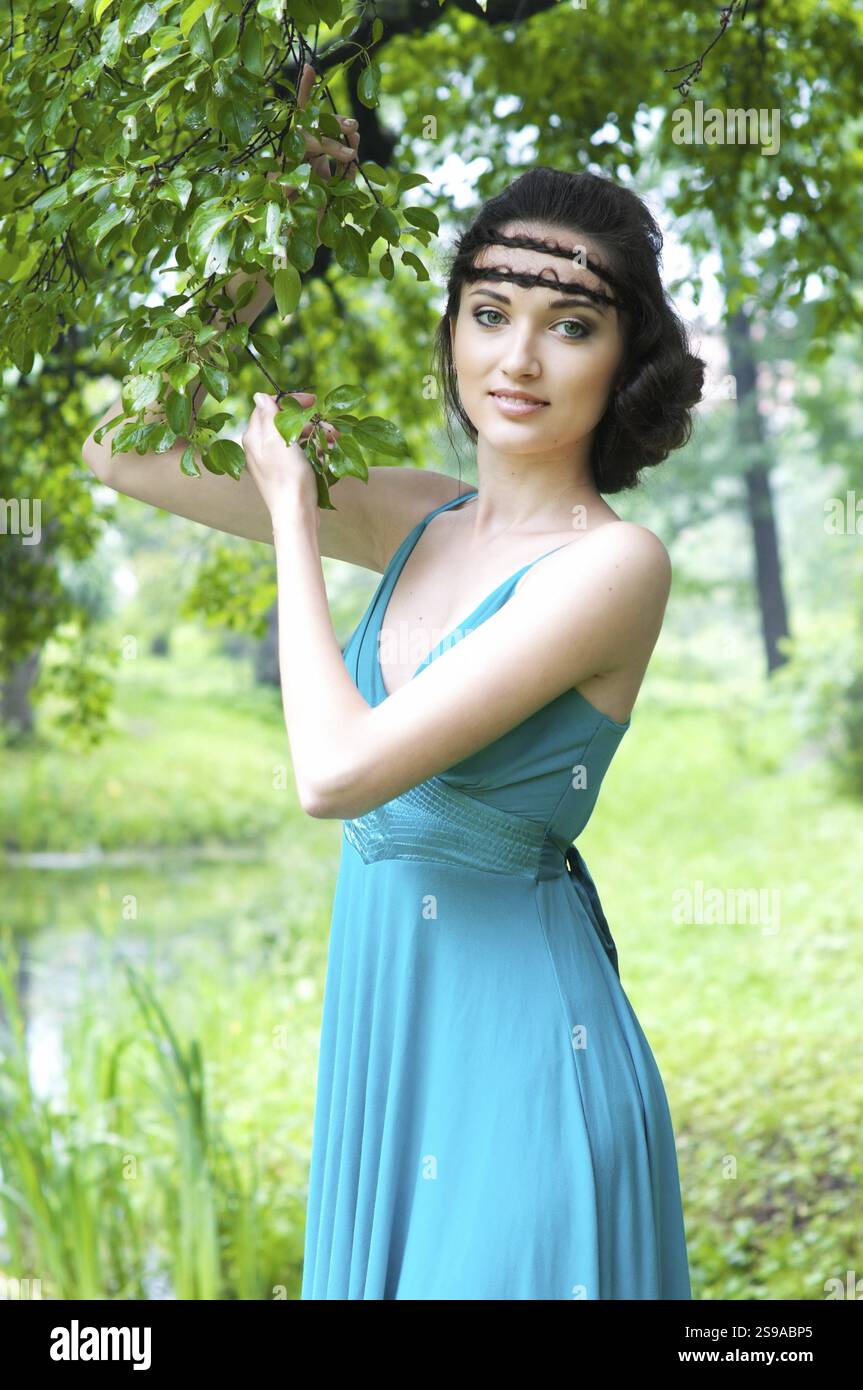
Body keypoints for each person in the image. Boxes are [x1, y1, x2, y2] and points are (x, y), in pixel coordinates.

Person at [84, 118, 705, 1295]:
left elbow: (332, 775)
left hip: (524, 1069)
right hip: (390, 1041)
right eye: (488, 314)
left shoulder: (613, 567)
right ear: (455, 330)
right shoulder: (414, 514)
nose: (517, 358)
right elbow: (118, 448)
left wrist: (287, 520)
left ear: (623, 359)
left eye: (567, 325)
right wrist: (263, 245)